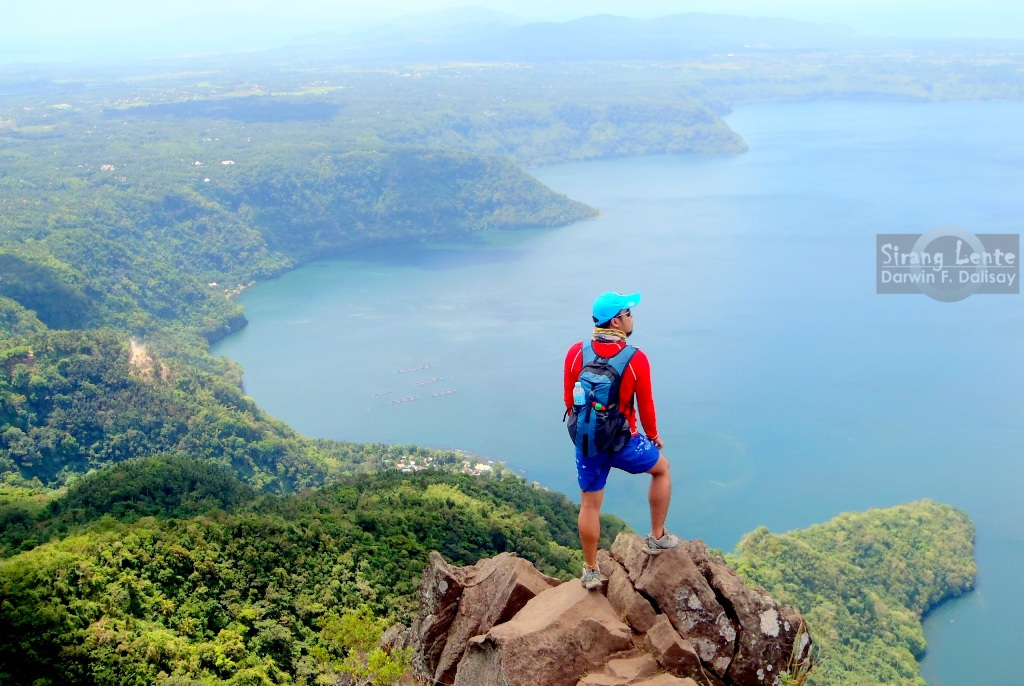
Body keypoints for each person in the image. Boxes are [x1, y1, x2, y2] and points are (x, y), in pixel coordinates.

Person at [563, 292, 676, 590]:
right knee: (661, 469)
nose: (632, 317)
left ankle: (590, 570)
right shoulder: (636, 358)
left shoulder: (576, 352)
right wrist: (653, 437)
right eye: (628, 313)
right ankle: (657, 537)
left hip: (588, 442)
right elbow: (646, 405)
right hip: (624, 441)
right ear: (616, 321)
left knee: (589, 505)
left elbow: (568, 400)